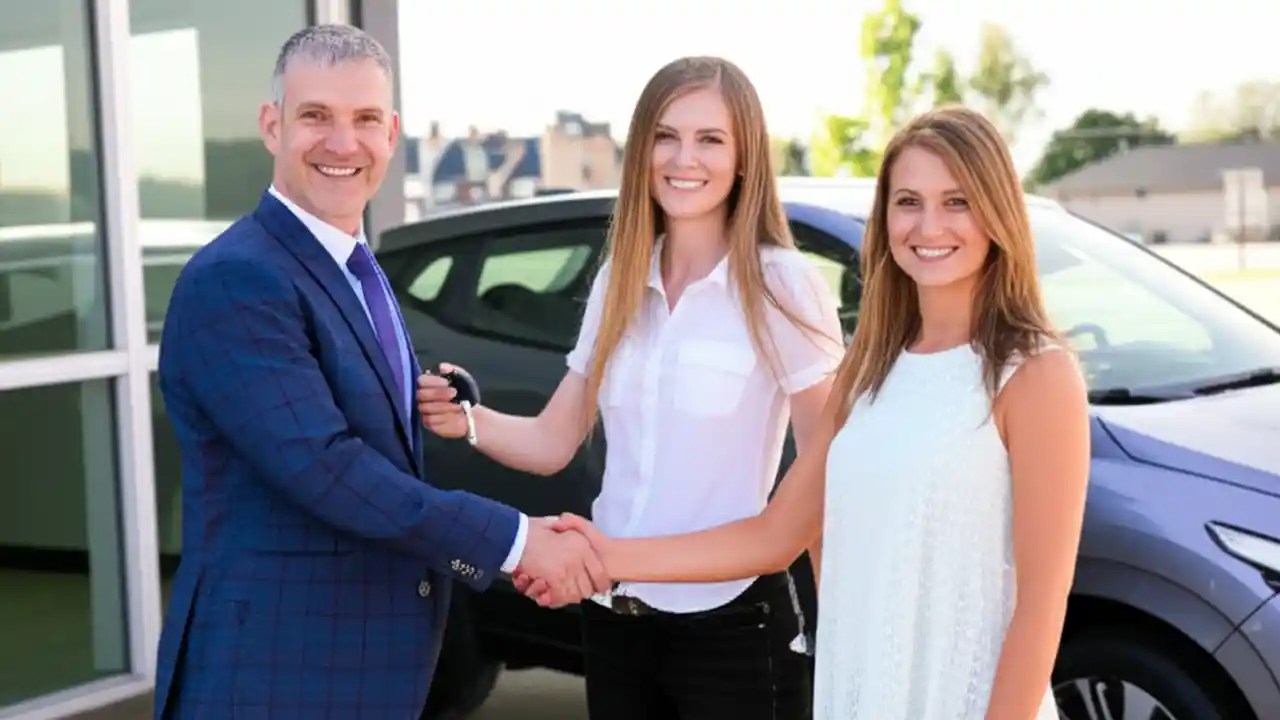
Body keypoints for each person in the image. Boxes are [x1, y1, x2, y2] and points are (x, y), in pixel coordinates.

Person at [535, 105, 1091, 720]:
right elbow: (773, 536)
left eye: (957, 201)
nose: (929, 225)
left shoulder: (1035, 374)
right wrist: (599, 556)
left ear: (998, 213)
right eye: (908, 201)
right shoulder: (868, 369)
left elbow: (1041, 606)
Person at [152, 24, 607, 719]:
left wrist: (436, 396)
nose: (343, 143)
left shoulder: (354, 266)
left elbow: (355, 407)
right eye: (315, 117)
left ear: (391, 134)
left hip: (358, 668)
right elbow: (327, 470)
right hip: (274, 674)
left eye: (364, 119)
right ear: (272, 126)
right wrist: (517, 542)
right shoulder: (237, 279)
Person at [417, 56, 844, 719]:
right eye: (666, 136)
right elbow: (553, 439)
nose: (684, 158)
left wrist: (842, 638)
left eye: (710, 139)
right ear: (642, 148)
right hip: (614, 623)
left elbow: (827, 481)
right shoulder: (621, 276)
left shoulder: (783, 285)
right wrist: (466, 421)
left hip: (732, 629)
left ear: (744, 159)